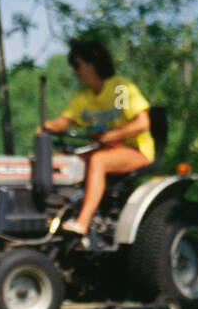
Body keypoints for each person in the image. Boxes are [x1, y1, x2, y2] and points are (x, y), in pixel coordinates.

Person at [38, 37, 155, 237]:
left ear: (93, 62)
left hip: (136, 151)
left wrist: (114, 135)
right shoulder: (84, 96)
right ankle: (51, 214)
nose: (74, 71)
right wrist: (43, 128)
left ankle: (82, 223)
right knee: (62, 162)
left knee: (98, 160)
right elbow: (63, 123)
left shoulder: (118, 89)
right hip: (106, 151)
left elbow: (142, 123)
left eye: (77, 65)